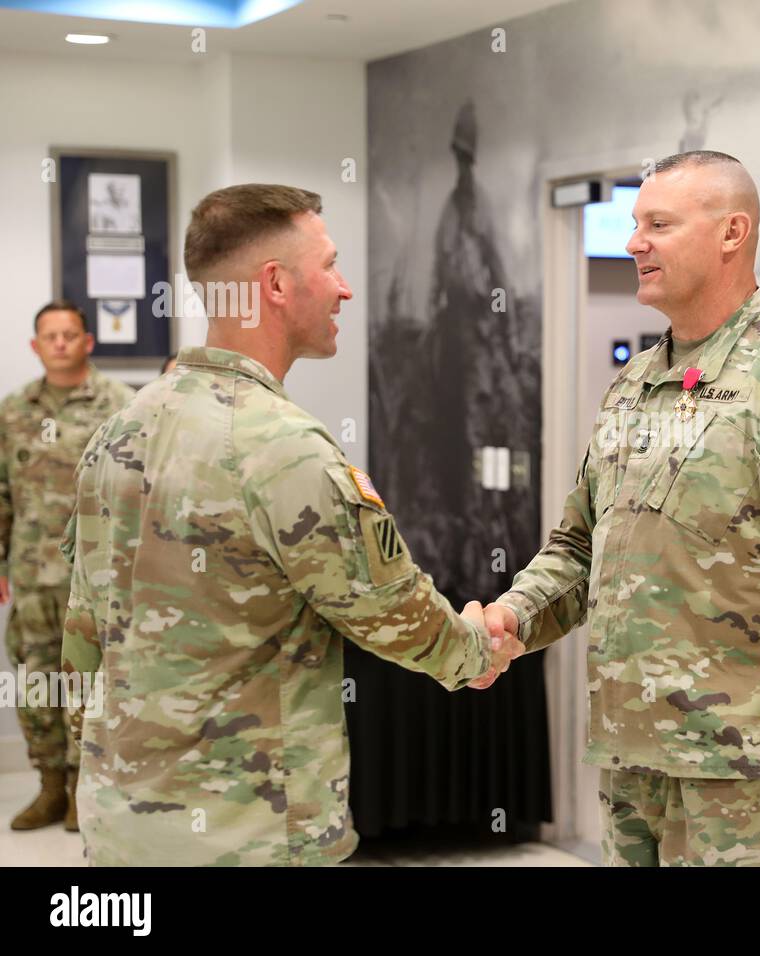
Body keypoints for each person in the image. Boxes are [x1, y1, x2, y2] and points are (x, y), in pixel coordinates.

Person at [60, 183, 522, 866]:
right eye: (329, 265)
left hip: (121, 829)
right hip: (253, 836)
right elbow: (393, 612)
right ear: (275, 284)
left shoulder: (115, 432)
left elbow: (82, 637)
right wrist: (479, 654)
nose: (345, 290)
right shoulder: (285, 450)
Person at [479, 151, 760, 866]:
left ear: (731, 233)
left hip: (745, 779)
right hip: (630, 763)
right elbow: (580, 549)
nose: (633, 243)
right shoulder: (634, 385)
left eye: (658, 224)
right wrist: (514, 618)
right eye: (634, 224)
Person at [0, 300, 135, 831]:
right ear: (35, 346)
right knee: (35, 684)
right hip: (32, 578)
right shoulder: (13, 412)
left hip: (96, 579)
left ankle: (86, 789)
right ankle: (50, 787)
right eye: (49, 336)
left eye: (69, 334)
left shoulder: (120, 406)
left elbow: (134, 494)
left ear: (87, 343)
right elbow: (2, 492)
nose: (59, 343)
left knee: (91, 685)